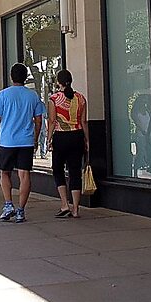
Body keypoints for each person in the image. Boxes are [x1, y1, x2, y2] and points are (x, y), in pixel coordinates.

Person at [0, 63, 45, 223]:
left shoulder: (3, 95)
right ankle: (21, 210)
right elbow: (39, 119)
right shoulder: (33, 95)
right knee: (24, 174)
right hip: (26, 141)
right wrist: (35, 137)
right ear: (26, 77)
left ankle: (8, 205)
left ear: (11, 76)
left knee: (4, 172)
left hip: (7, 141)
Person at [47, 69, 89, 218]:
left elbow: (52, 121)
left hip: (60, 137)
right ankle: (76, 208)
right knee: (75, 171)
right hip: (77, 136)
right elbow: (83, 122)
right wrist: (87, 140)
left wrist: (48, 138)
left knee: (57, 169)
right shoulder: (81, 98)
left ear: (58, 82)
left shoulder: (54, 99)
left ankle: (65, 204)